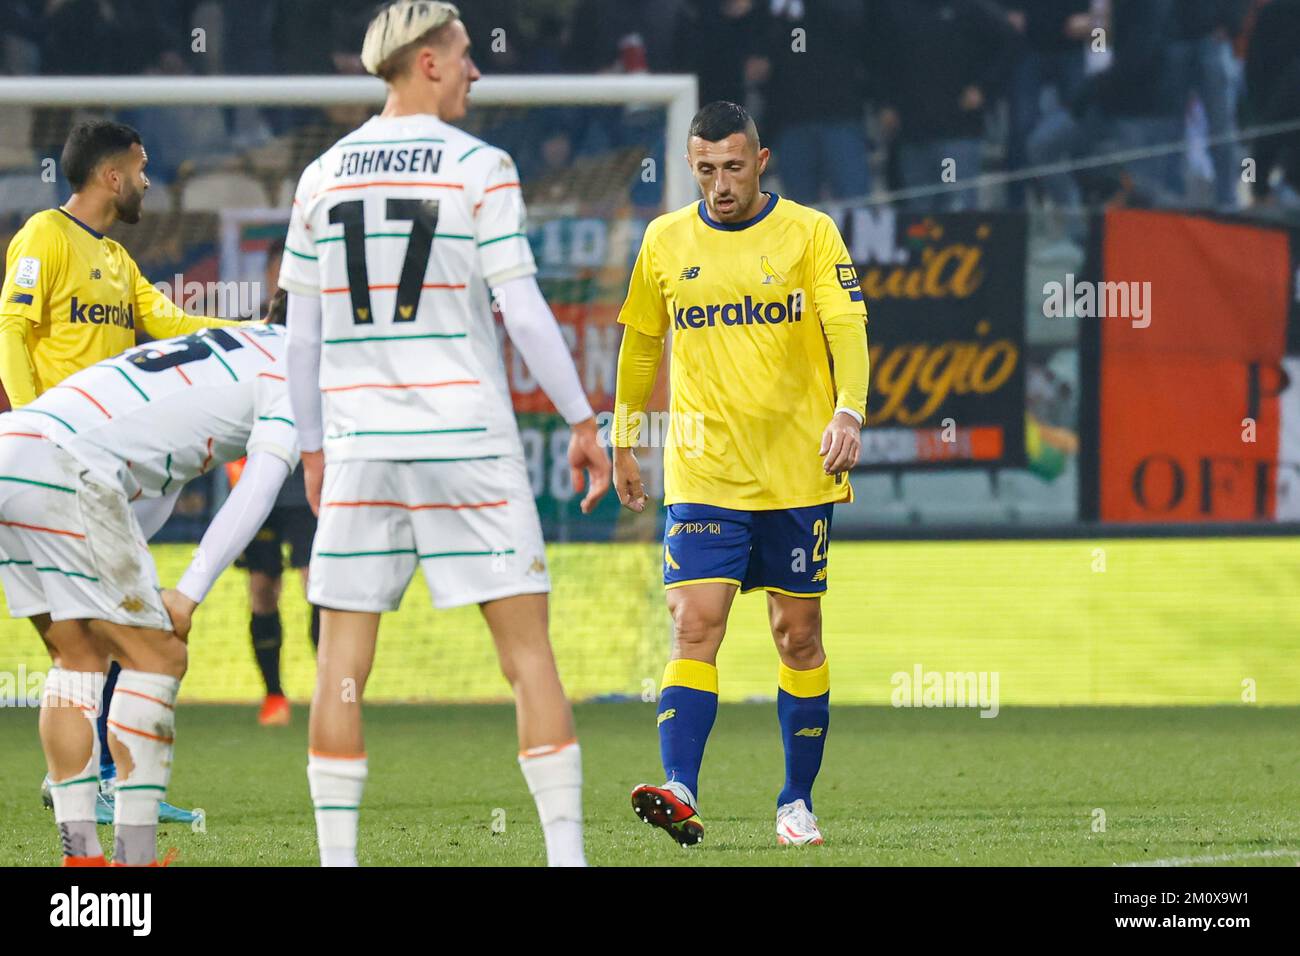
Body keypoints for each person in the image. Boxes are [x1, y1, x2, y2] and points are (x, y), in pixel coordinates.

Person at [279, 0, 610, 867]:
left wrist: (312, 447)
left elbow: (301, 338)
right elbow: (526, 311)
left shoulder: (322, 176)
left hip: (358, 447)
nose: (476, 69)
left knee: (341, 665)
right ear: (426, 61)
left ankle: (338, 862)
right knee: (527, 655)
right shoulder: (480, 166)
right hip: (466, 436)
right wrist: (582, 418)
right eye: (464, 54)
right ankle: (567, 860)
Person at [612, 101, 869, 847]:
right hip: (703, 471)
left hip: (797, 471)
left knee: (797, 636)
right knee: (694, 624)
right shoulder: (664, 241)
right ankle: (679, 787)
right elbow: (640, 348)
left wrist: (848, 412)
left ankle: (795, 802)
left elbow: (848, 329)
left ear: (761, 161)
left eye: (731, 167)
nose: (719, 185)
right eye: (704, 170)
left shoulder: (811, 233)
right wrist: (624, 438)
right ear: (690, 167)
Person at [0, 118, 242, 826]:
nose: (146, 180)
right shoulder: (45, 234)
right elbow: (11, 328)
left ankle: (87, 779)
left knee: (90, 637)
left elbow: (170, 325)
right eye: (140, 168)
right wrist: (33, 420)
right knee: (110, 632)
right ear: (110, 175)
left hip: (100, 466)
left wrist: (254, 332)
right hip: (57, 462)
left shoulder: (115, 259)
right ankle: (101, 779)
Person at [0, 324, 298, 865]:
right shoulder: (304, 372)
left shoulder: (235, 343)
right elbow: (258, 486)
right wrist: (187, 595)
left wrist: (125, 558)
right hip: (70, 467)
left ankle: (82, 857)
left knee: (77, 659)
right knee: (160, 656)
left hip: (17, 442)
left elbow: (162, 474)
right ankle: (134, 862)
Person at [233, 241, 319, 726]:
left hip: (307, 480)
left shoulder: (320, 329)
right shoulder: (249, 333)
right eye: (275, 271)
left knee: (318, 585)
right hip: (261, 483)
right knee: (263, 590)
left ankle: (333, 686)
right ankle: (274, 696)